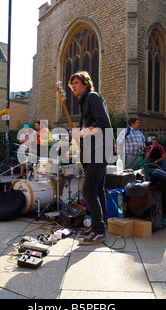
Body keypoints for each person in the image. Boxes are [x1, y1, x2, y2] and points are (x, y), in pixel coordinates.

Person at [69, 71, 112, 245]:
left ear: (86, 84)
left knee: (88, 190)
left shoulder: (92, 96)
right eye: (72, 83)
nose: (73, 85)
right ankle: (99, 225)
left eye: (76, 82)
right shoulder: (85, 102)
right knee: (98, 189)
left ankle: (98, 231)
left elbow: (103, 122)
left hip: (100, 149)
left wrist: (82, 132)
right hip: (94, 150)